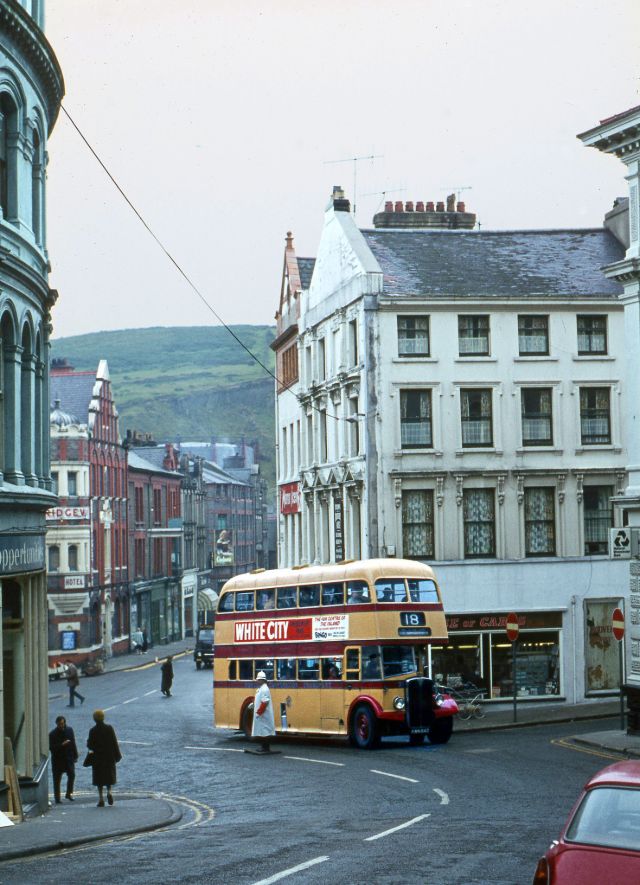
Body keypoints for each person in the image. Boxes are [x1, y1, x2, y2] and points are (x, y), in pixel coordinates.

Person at [87, 710, 122, 807]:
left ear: (94, 719)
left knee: (99, 780)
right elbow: (114, 742)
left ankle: (101, 799)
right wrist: (117, 755)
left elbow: (90, 745)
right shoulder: (109, 728)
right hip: (109, 757)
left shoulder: (92, 731)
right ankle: (109, 792)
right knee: (108, 777)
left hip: (98, 758)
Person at [49, 715, 78, 804]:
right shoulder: (52, 734)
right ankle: (57, 798)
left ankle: (69, 793)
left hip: (68, 758)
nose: (61, 725)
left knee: (72, 775)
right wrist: (62, 745)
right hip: (58, 759)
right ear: (57, 724)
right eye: (59, 724)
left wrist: (75, 755)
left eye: (62, 723)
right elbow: (52, 748)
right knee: (57, 779)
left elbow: (73, 742)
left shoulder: (69, 730)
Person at [251, 670, 275, 753]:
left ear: (262, 680)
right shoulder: (262, 688)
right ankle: (264, 747)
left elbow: (264, 702)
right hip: (262, 714)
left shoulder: (264, 689)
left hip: (263, 714)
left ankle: (265, 747)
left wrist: (259, 712)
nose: (257, 681)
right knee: (263, 731)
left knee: (264, 731)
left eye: (258, 679)